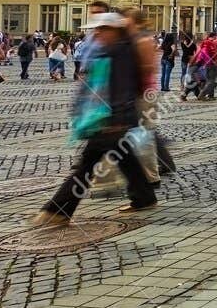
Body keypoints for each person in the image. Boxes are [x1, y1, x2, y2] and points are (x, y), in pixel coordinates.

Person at [32, 12, 156, 228]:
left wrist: (116, 117)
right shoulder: (110, 50)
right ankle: (144, 196)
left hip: (112, 117)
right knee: (125, 157)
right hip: (109, 115)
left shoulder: (121, 53)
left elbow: (123, 87)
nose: (97, 33)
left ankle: (58, 209)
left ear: (114, 31)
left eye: (102, 29)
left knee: (87, 164)